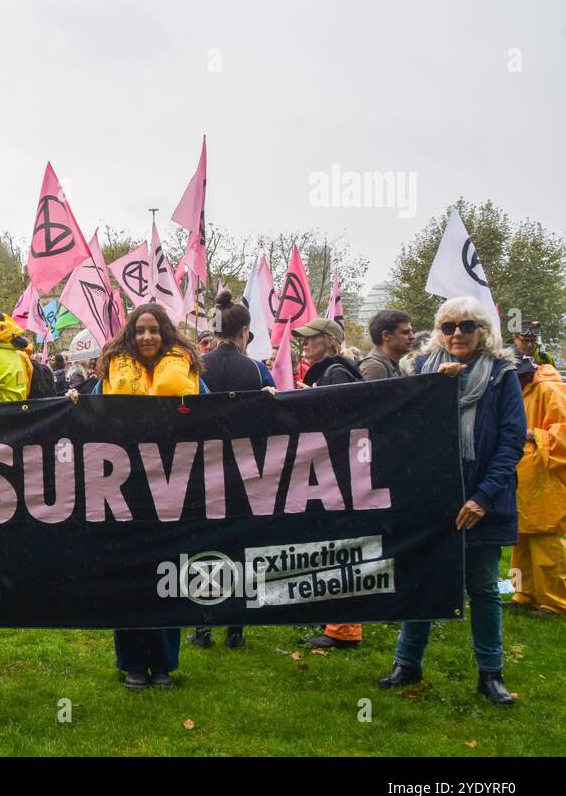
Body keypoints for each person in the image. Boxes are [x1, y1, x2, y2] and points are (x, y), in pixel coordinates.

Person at [379, 297, 526, 704]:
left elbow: (512, 440)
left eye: (467, 326)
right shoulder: (423, 372)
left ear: (482, 331)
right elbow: (404, 433)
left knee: (482, 587)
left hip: (482, 498)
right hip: (432, 499)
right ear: (438, 331)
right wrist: (442, 387)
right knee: (422, 579)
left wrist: (482, 498)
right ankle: (407, 664)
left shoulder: (501, 374)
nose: (457, 334)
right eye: (448, 327)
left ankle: (490, 674)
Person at [93, 303, 200, 690]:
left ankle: (165, 665)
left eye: (154, 330)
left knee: (170, 575)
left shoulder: (187, 370)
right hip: (124, 489)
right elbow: (89, 416)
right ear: (130, 335)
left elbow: (218, 415)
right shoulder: (111, 372)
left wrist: (264, 399)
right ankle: (133, 663)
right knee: (129, 575)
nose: (147, 337)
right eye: (139, 331)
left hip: (175, 487)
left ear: (166, 333)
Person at [190, 291, 275, 650]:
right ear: (244, 332)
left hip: (200, 466)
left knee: (203, 544)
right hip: (246, 466)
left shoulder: (197, 365)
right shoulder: (257, 369)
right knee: (243, 543)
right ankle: (237, 627)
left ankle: (202, 625)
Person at [292, 317, 368, 648]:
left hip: (338, 472)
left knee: (340, 545)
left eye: (312, 338)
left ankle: (344, 629)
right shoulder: (333, 372)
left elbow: (338, 420)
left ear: (331, 342)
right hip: (336, 471)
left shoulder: (336, 372)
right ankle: (335, 620)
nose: (304, 344)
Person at [509, 356, 566, 614]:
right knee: (518, 539)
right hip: (522, 477)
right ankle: (524, 593)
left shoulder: (549, 388)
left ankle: (554, 602)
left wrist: (533, 435)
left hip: (544, 479)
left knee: (545, 541)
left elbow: (563, 431)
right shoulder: (520, 388)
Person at [359, 310, 415, 381]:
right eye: (405, 332)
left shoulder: (393, 364)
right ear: (386, 335)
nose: (412, 337)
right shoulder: (374, 367)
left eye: (411, 332)